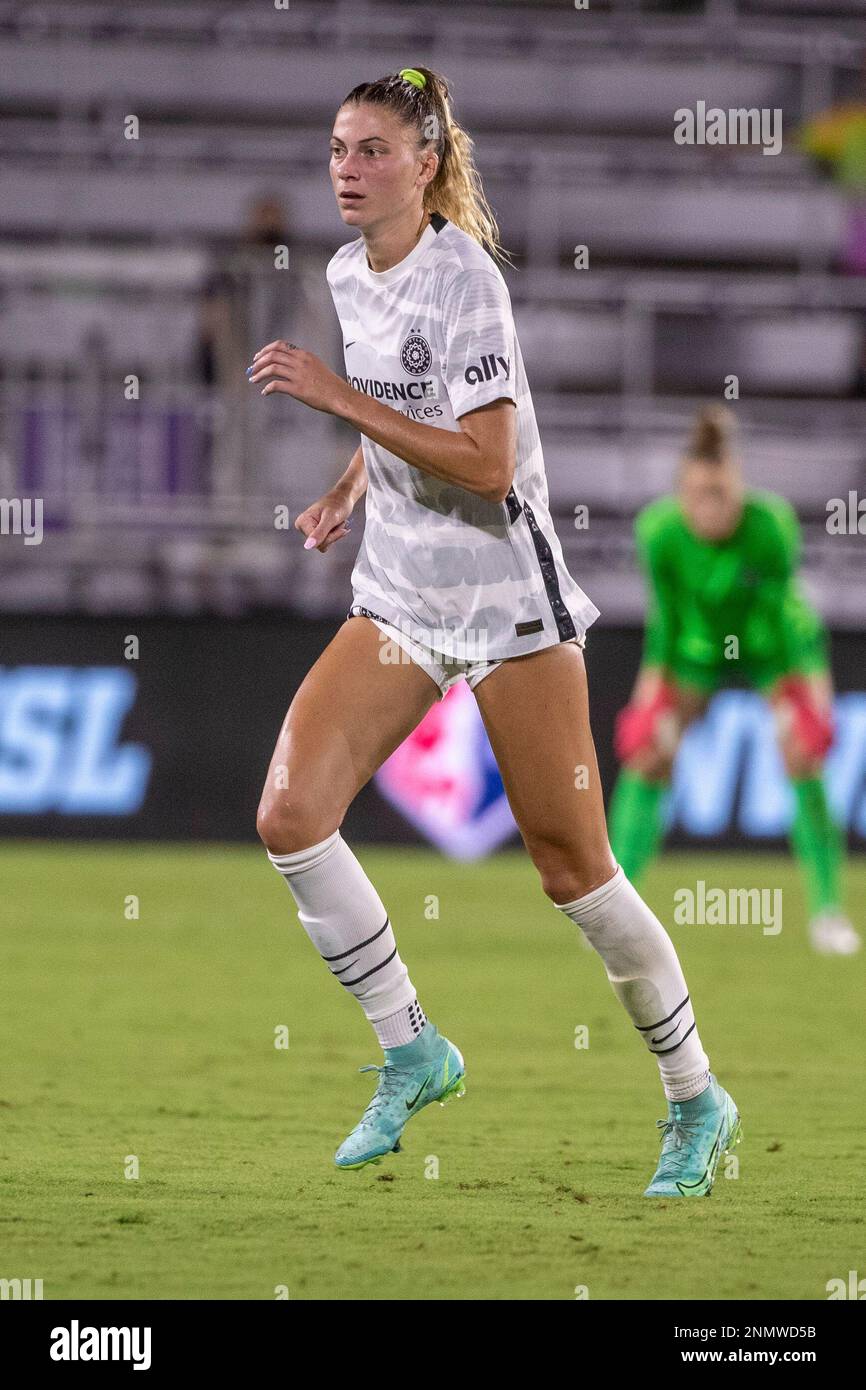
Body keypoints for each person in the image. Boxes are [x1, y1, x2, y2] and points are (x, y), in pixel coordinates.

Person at [251, 66, 741, 1195]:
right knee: (288, 811)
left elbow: (479, 456)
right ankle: (413, 1047)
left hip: (505, 603)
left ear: (425, 164)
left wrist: (335, 400)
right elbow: (399, 412)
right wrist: (349, 483)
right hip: (401, 598)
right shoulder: (343, 269)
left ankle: (693, 1095)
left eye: (372, 149)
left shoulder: (464, 279)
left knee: (572, 867)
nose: (346, 169)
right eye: (336, 148)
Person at [609, 404, 859, 957]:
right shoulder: (659, 533)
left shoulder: (771, 526)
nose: (710, 507)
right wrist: (648, 707)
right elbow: (665, 627)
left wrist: (812, 700)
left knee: (803, 752)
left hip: (768, 650)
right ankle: (615, 911)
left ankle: (827, 911)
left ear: (738, 486)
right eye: (698, 495)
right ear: (681, 492)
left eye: (720, 494)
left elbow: (789, 619)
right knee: (648, 752)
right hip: (696, 652)